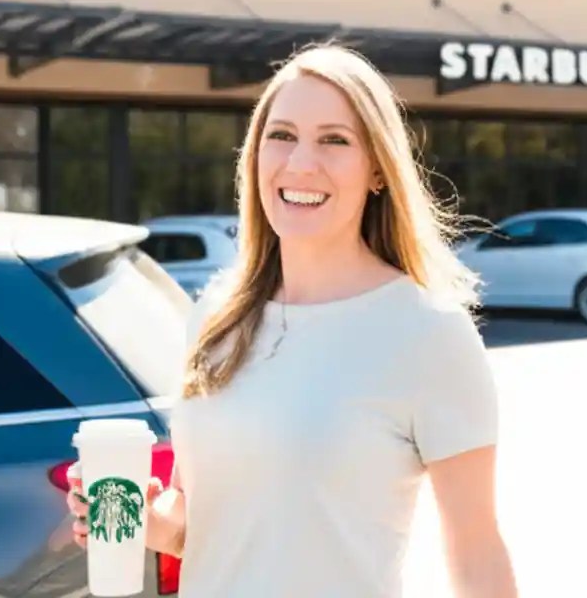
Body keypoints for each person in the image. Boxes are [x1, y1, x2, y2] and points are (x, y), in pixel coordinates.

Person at [69, 43, 517, 597]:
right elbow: (198, 526)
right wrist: (133, 515)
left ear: (377, 168)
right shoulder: (215, 316)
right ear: (254, 156)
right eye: (281, 135)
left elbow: (476, 551)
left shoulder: (426, 330)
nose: (301, 163)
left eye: (334, 140)